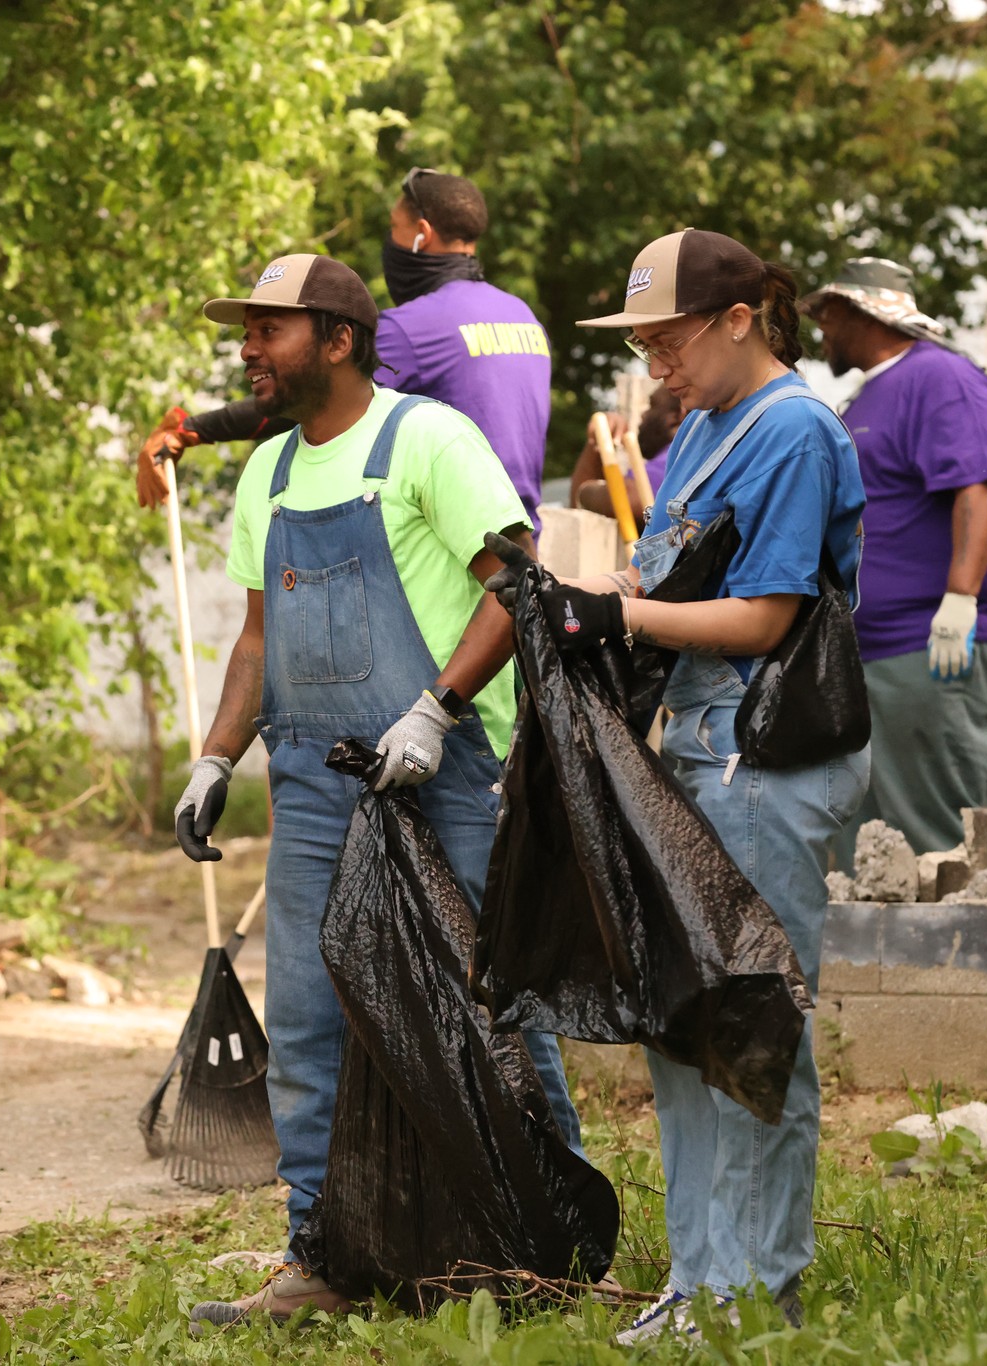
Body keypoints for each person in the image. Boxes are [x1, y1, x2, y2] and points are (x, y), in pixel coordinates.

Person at [169, 251, 581, 1329]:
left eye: (268, 330)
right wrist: (216, 758)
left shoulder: (427, 441)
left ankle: (551, 1241)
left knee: (488, 1001)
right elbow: (257, 639)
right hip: (314, 781)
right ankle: (321, 1252)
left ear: (339, 339)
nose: (247, 351)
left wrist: (435, 711)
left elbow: (516, 583)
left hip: (444, 770)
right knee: (311, 1017)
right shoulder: (267, 472)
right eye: (246, 332)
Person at [491, 228, 869, 1341]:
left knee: (748, 1027)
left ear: (739, 320)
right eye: (644, 346)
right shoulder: (704, 423)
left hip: (766, 755)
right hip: (695, 749)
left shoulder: (794, 431)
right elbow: (664, 571)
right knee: (682, 1027)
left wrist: (616, 614)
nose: (656, 367)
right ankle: (698, 1281)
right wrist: (585, 592)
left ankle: (756, 1294)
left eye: (668, 341)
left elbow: (764, 619)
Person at [135, 170, 555, 529]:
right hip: (521, 548)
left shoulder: (415, 328)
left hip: (458, 553)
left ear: (422, 235)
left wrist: (191, 429)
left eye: (394, 228)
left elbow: (309, 391)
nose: (389, 241)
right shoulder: (523, 317)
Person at [802, 258, 987, 858]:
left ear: (859, 312)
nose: (821, 331)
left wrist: (959, 602)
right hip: (879, 651)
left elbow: (976, 489)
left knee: (929, 842)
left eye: (827, 316)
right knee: (877, 852)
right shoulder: (873, 393)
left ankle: (949, 929)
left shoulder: (939, 377)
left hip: (933, 645)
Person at [569, 383, 682, 516]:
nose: (643, 414)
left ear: (678, 415)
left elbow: (629, 497)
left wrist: (583, 491)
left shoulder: (679, 454)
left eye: (653, 405)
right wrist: (599, 440)